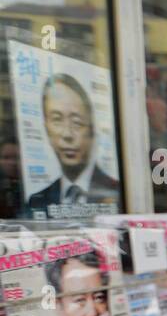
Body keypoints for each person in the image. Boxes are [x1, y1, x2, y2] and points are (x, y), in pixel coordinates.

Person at [24, 74, 118, 218]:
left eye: (76, 122)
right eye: (57, 120)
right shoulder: (37, 202)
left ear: (92, 130)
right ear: (46, 127)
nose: (67, 134)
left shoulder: (115, 193)